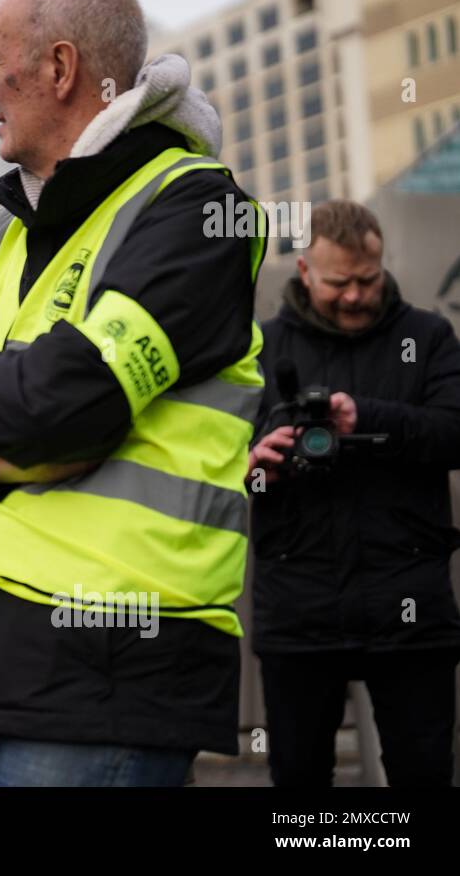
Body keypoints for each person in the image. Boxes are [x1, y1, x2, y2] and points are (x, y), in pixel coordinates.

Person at [0, 0, 267, 786]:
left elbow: (64, 405)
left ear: (60, 67)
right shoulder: (2, 235)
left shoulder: (195, 212)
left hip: (104, 675)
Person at [248, 199, 460, 787]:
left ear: (381, 263)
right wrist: (253, 460)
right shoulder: (261, 349)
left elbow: (455, 432)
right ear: (304, 272)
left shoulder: (427, 336)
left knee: (424, 775)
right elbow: (215, 457)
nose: (354, 296)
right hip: (298, 607)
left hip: (409, 609)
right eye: (338, 282)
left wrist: (365, 418)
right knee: (299, 786)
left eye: (367, 280)